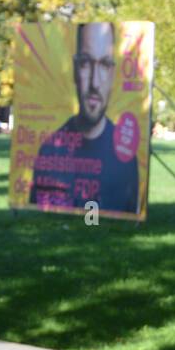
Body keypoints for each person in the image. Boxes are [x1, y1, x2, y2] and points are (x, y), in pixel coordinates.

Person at [28, 22, 140, 214]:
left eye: (105, 65)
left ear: (113, 74)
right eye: (86, 63)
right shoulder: (49, 151)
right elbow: (41, 217)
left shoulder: (126, 157)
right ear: (74, 69)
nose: (95, 83)